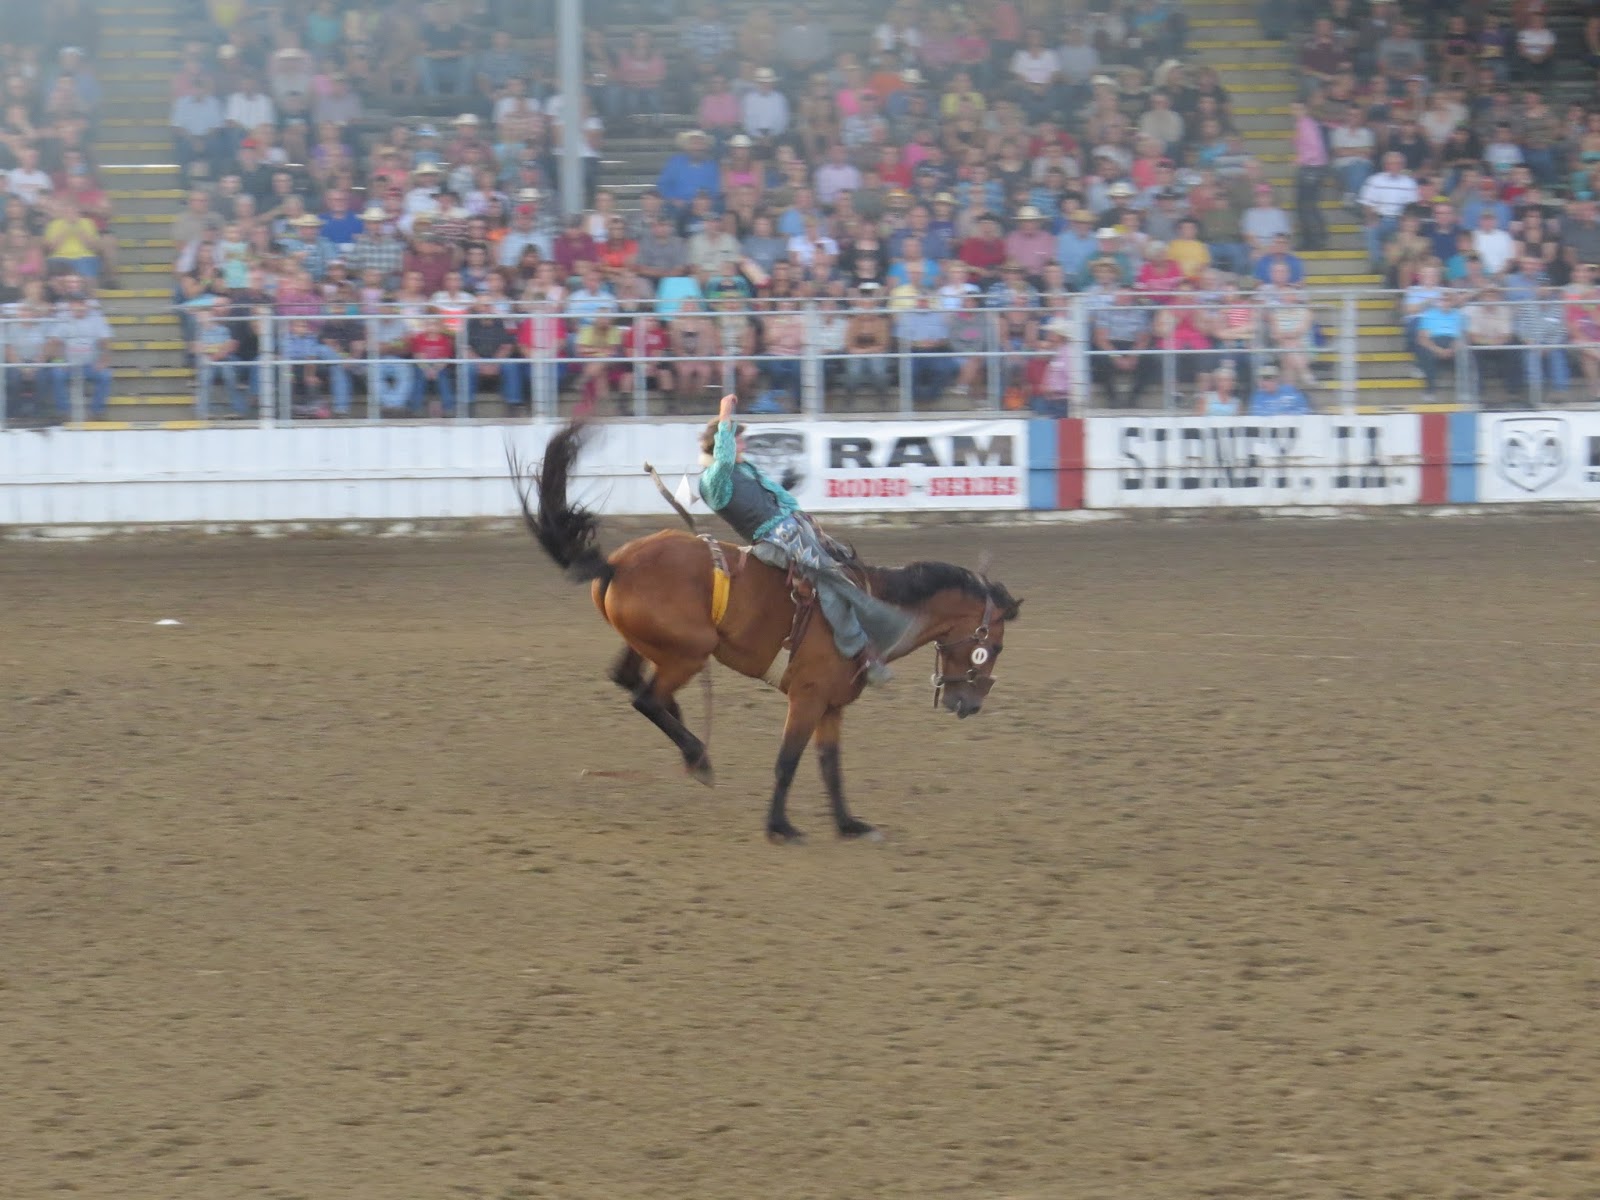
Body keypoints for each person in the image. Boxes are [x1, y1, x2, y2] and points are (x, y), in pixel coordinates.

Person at [698, 393, 909, 685]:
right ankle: (864, 650)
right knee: (829, 579)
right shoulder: (713, 481)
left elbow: (778, 495)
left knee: (840, 568)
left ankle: (867, 630)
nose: (743, 445)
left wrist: (800, 516)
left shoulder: (743, 469)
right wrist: (724, 415)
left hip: (794, 530)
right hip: (772, 542)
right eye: (737, 440)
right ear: (721, 444)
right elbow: (723, 462)